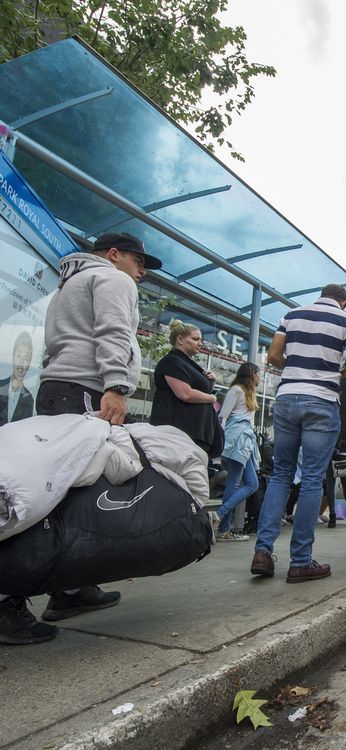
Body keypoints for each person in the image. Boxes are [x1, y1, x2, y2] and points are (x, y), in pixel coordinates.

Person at [0, 232, 161, 646]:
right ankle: (9, 602)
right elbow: (113, 332)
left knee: (61, 487)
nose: (141, 271)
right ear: (113, 255)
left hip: (60, 386)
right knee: (52, 496)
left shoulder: (68, 284)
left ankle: (70, 588)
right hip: (90, 390)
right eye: (138, 261)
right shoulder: (112, 279)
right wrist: (117, 386)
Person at [250, 283, 346, 584]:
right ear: (343, 301)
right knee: (312, 478)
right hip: (322, 401)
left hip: (287, 398)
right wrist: (334, 376)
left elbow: (274, 355)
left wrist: (297, 370)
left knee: (281, 474)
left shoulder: (292, 314)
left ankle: (262, 551)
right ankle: (300, 562)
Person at [150, 320, 219, 454]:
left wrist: (212, 381)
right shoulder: (172, 361)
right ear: (180, 339)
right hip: (179, 436)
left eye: (200, 340)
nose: (200, 343)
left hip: (192, 435)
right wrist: (212, 398)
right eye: (195, 339)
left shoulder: (185, 363)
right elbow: (185, 394)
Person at [214, 362, 261, 542]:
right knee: (236, 483)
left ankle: (220, 521)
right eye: (258, 374)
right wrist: (222, 443)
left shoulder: (247, 392)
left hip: (245, 441)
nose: (260, 378)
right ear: (251, 374)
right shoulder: (237, 390)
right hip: (236, 439)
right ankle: (222, 525)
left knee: (250, 483)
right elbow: (223, 416)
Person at [0, 331, 35, 425]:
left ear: (28, 365)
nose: (21, 362)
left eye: (26, 359)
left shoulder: (29, 399)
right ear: (12, 358)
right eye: (18, 356)